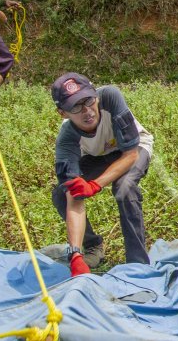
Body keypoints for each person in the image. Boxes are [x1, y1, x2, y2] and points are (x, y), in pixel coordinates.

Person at [50, 72, 154, 275]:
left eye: (88, 100)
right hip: (97, 156)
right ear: (62, 113)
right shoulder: (66, 140)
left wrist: (95, 184)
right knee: (62, 194)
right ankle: (92, 247)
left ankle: (138, 262)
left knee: (124, 188)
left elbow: (130, 155)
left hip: (134, 147)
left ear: (95, 96)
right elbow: (74, 199)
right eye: (75, 107)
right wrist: (75, 255)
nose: (87, 111)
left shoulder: (110, 97)